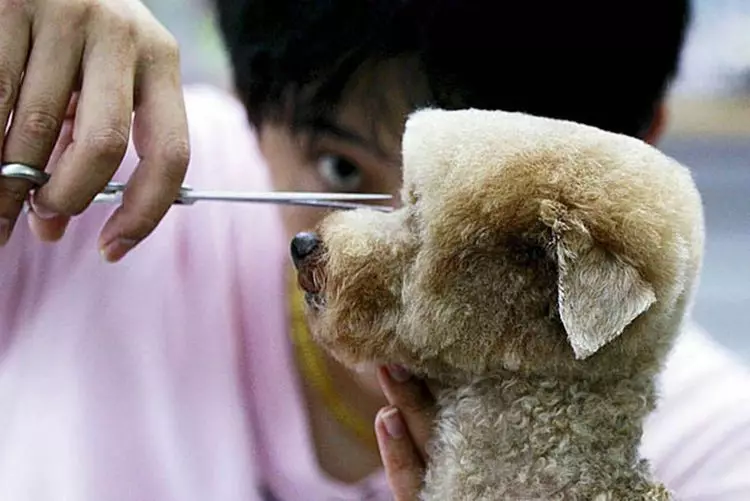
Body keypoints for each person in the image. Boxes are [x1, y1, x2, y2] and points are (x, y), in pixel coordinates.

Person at [0, 0, 748, 499]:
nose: (393, 232)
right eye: (342, 169)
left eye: (499, 230)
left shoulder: (713, 448)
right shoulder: (91, 168)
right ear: (250, 106)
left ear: (639, 146)